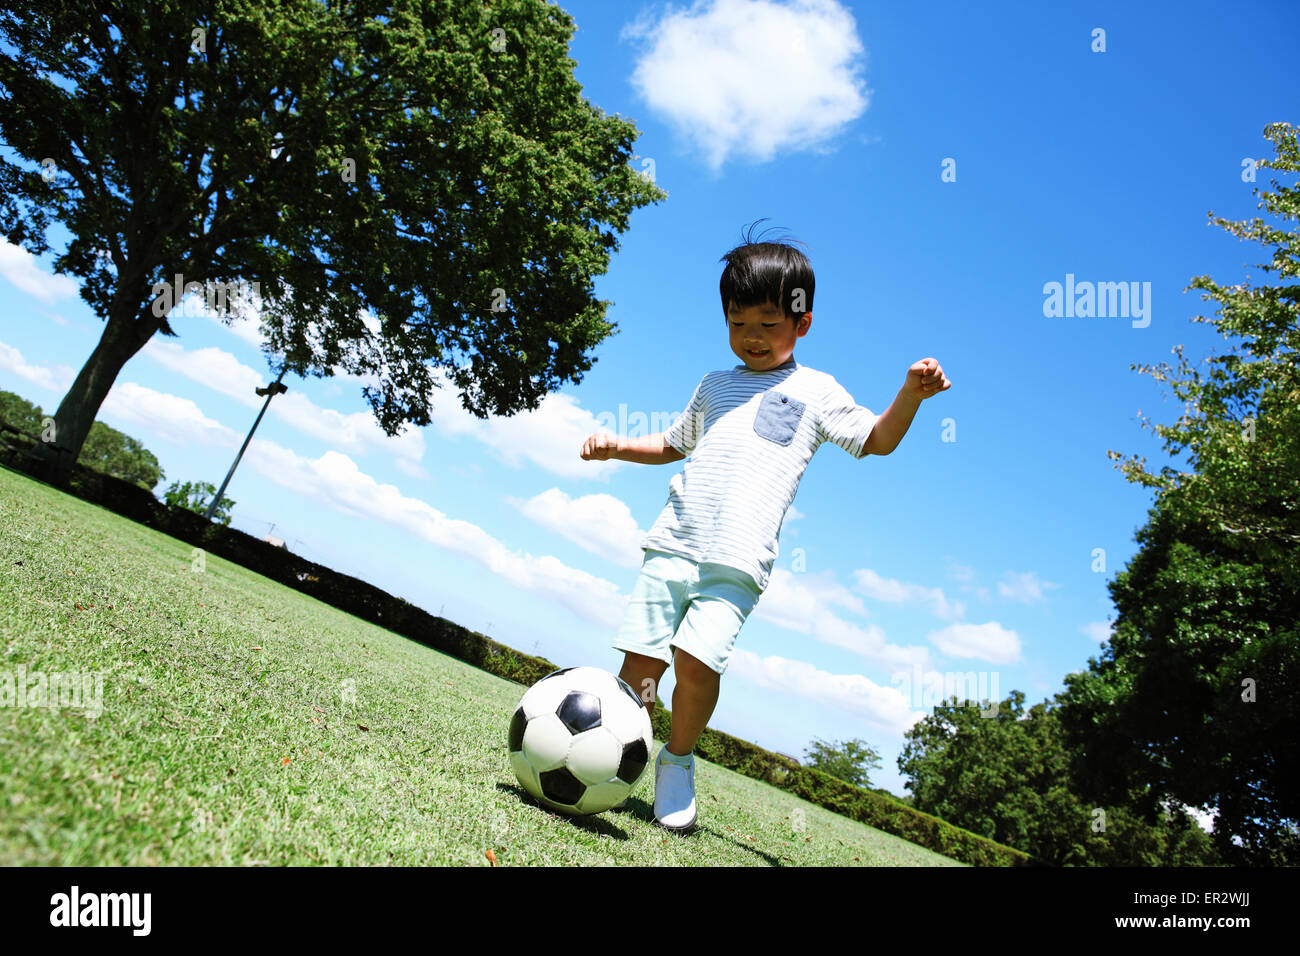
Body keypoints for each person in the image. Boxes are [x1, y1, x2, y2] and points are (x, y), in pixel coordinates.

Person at [579, 224, 951, 831]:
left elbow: (876, 441)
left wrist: (910, 393)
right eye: (737, 322)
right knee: (640, 667)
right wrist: (619, 445)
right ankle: (616, 756)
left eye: (767, 323)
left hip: (738, 560)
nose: (750, 337)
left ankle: (678, 759)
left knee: (697, 665)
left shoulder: (816, 390)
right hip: (674, 542)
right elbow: (674, 444)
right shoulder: (715, 384)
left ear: (802, 322)